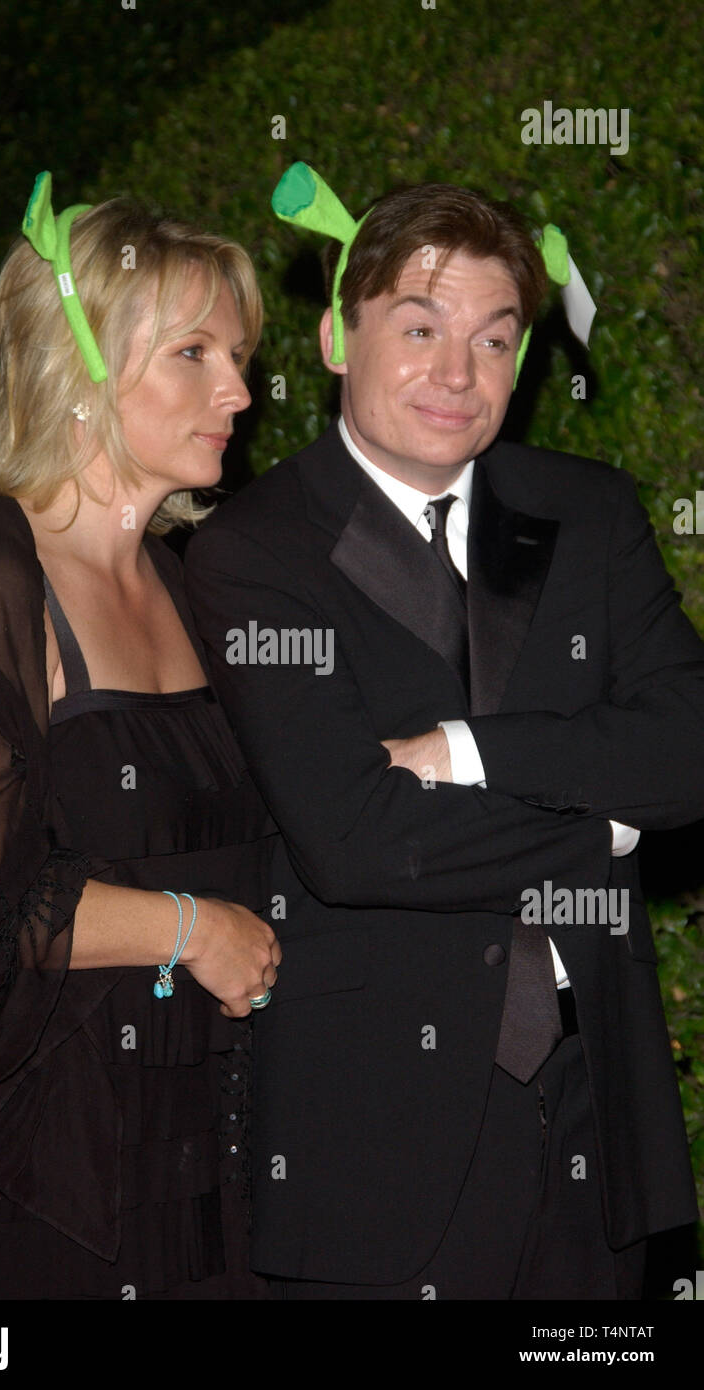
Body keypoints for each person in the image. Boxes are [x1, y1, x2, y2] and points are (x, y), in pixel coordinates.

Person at [184, 164, 704, 1299]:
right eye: (419, 328)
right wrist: (611, 823)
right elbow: (359, 839)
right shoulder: (252, 554)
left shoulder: (591, 511)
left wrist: (472, 753)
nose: (457, 374)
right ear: (335, 335)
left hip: (590, 1113)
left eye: (494, 338)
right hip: (371, 1149)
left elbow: (692, 746)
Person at [0, 173, 282, 1300]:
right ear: (81, 372)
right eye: (194, 354)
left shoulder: (184, 585)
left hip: (188, 1149)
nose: (239, 389)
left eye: (235, 355)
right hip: (36, 1174)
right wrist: (188, 928)